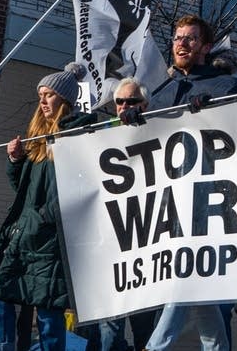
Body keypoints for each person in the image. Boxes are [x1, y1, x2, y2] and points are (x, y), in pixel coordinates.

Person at [143, 16, 237, 351]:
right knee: (200, 299)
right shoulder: (162, 92)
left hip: (211, 209)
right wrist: (130, 121)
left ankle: (155, 347)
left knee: (185, 281)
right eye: (177, 38)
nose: (181, 44)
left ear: (204, 46)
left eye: (190, 39)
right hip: (168, 210)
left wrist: (217, 113)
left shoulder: (227, 87)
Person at [0, 64, 89, 351]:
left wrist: (42, 218)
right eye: (41, 94)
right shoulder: (37, 138)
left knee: (48, 307)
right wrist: (15, 161)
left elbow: (76, 190)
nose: (42, 101)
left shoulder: (77, 135)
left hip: (49, 240)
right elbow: (24, 191)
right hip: (25, 234)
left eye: (49, 94)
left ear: (64, 100)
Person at [98, 79, 158, 351]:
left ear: (144, 105)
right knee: (108, 332)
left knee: (145, 332)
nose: (124, 107)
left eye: (131, 102)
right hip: (111, 248)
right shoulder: (103, 134)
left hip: (146, 248)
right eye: (119, 102)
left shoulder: (158, 130)